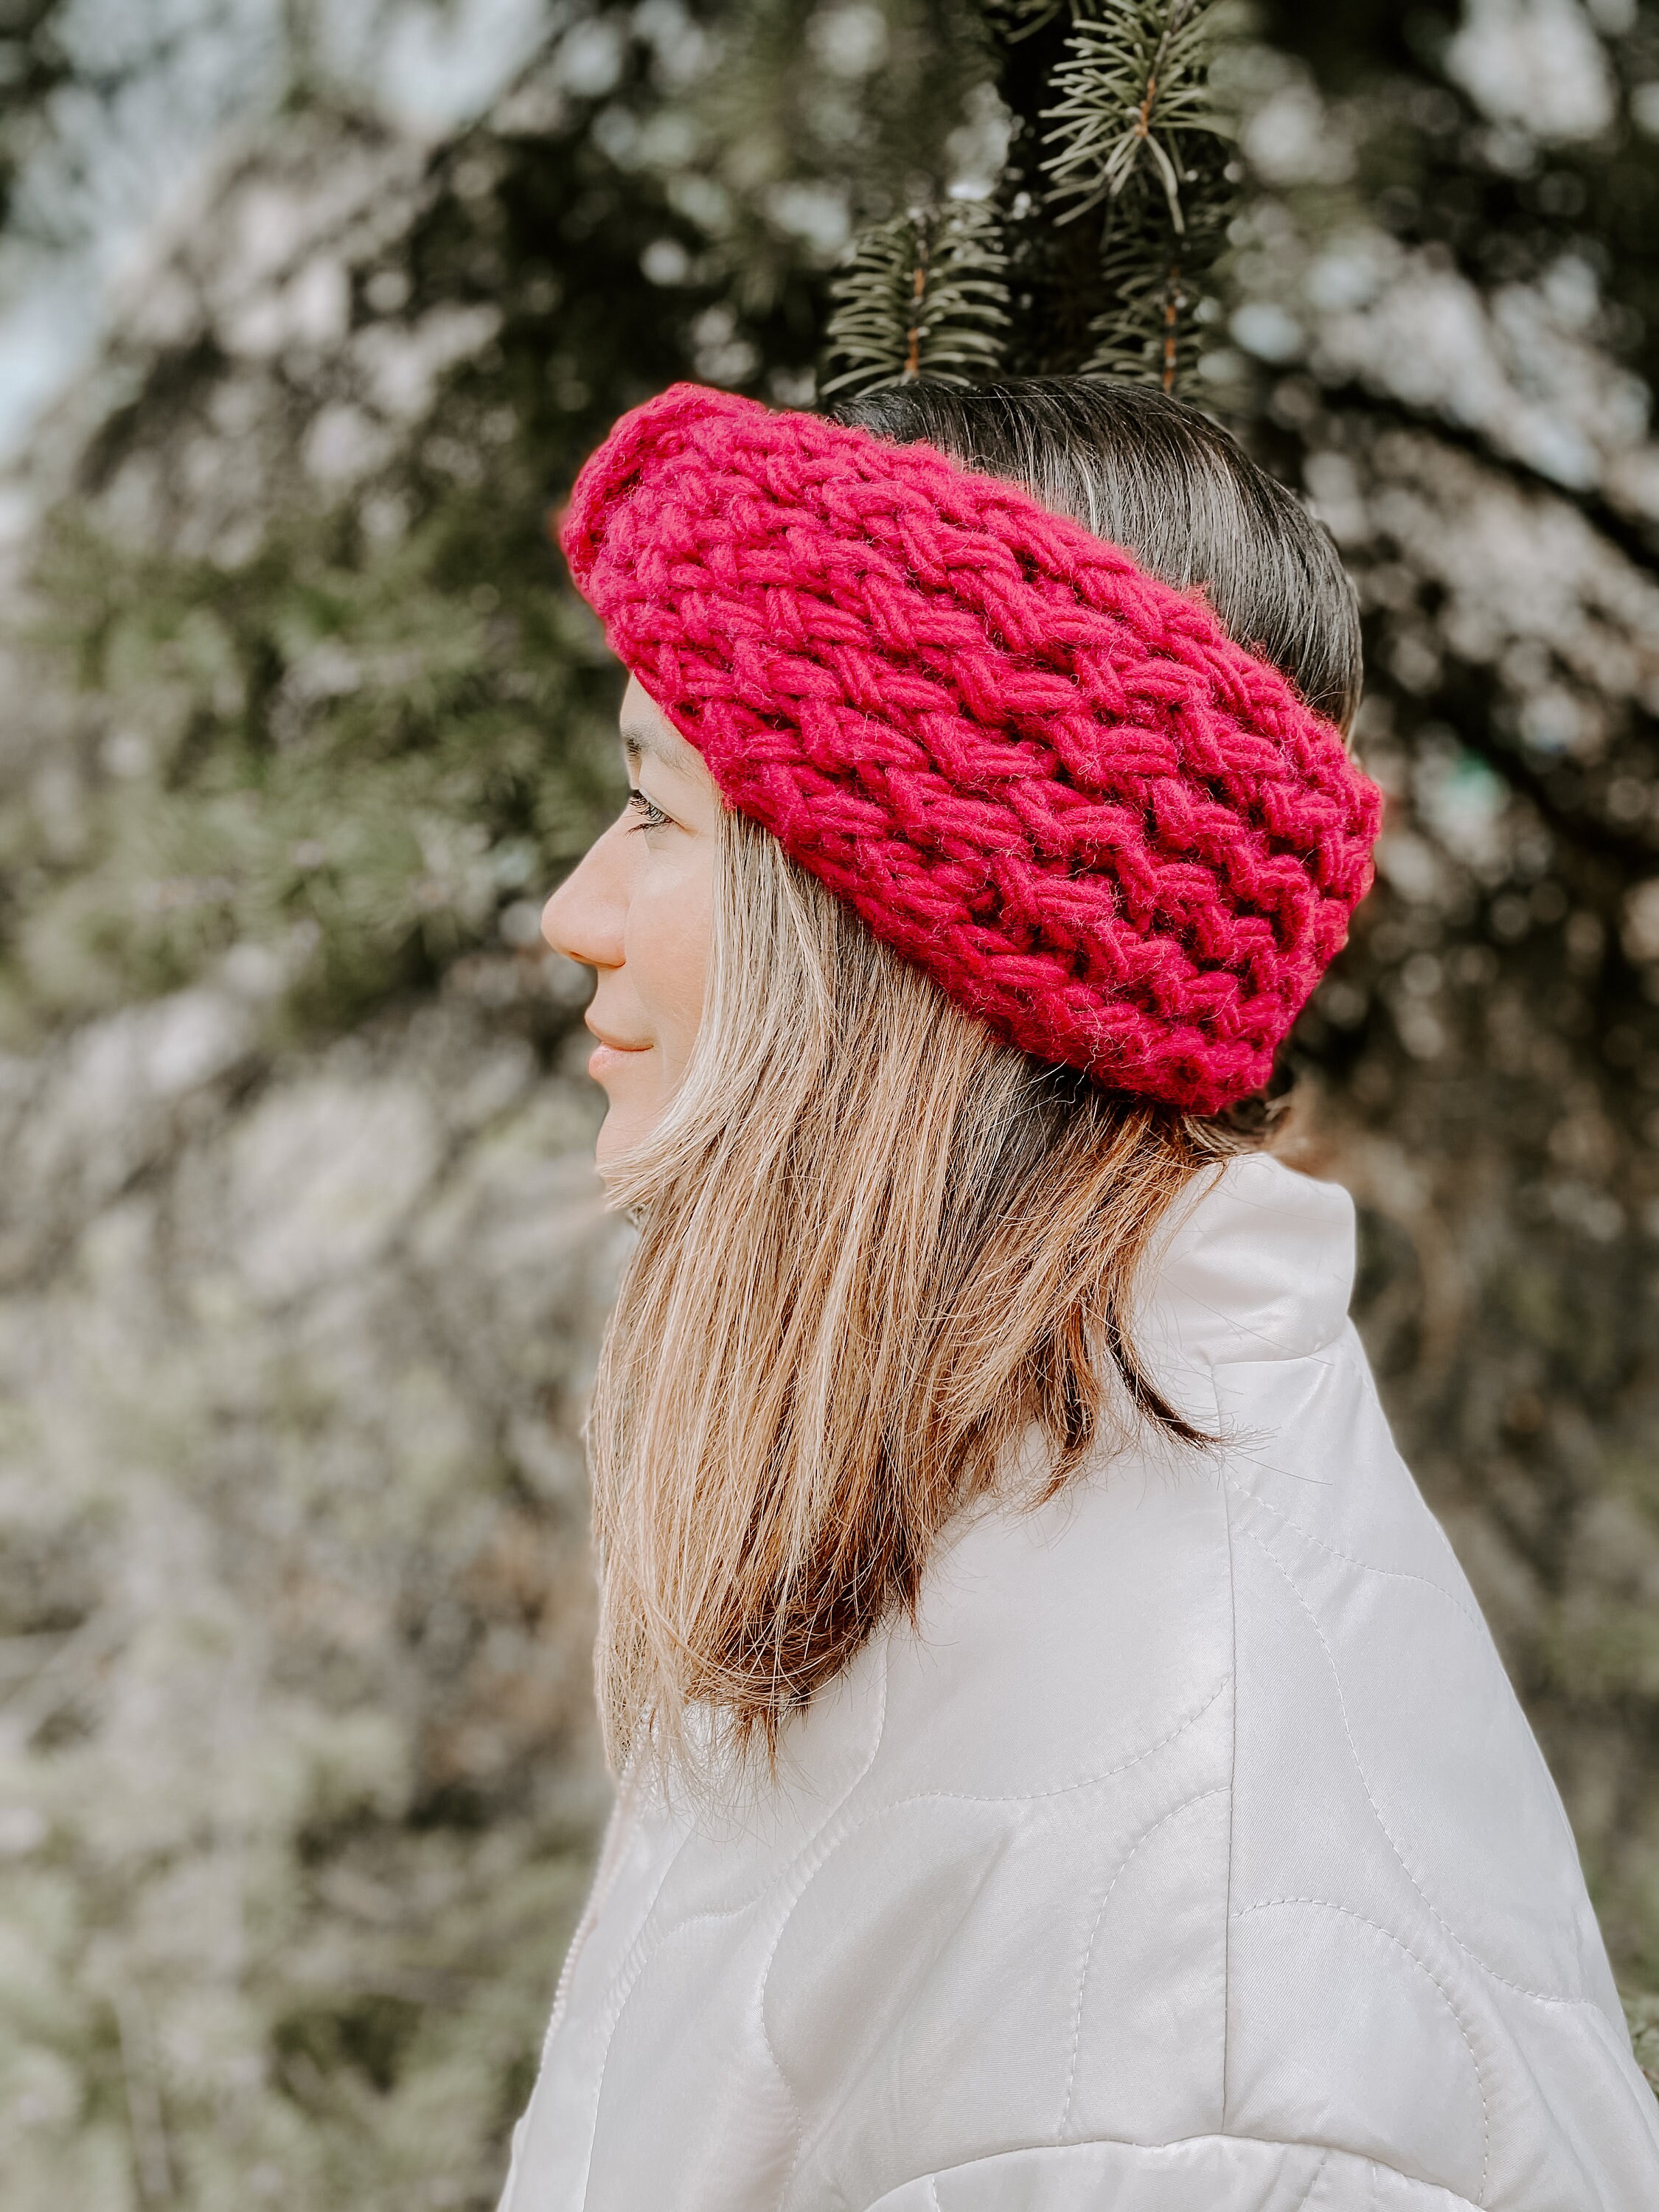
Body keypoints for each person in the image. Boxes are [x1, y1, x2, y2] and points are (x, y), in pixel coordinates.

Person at [500, 377, 1659, 2211]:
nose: (574, 909)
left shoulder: (1182, 2007)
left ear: (884, 932)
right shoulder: (936, 1538)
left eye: (657, 812)